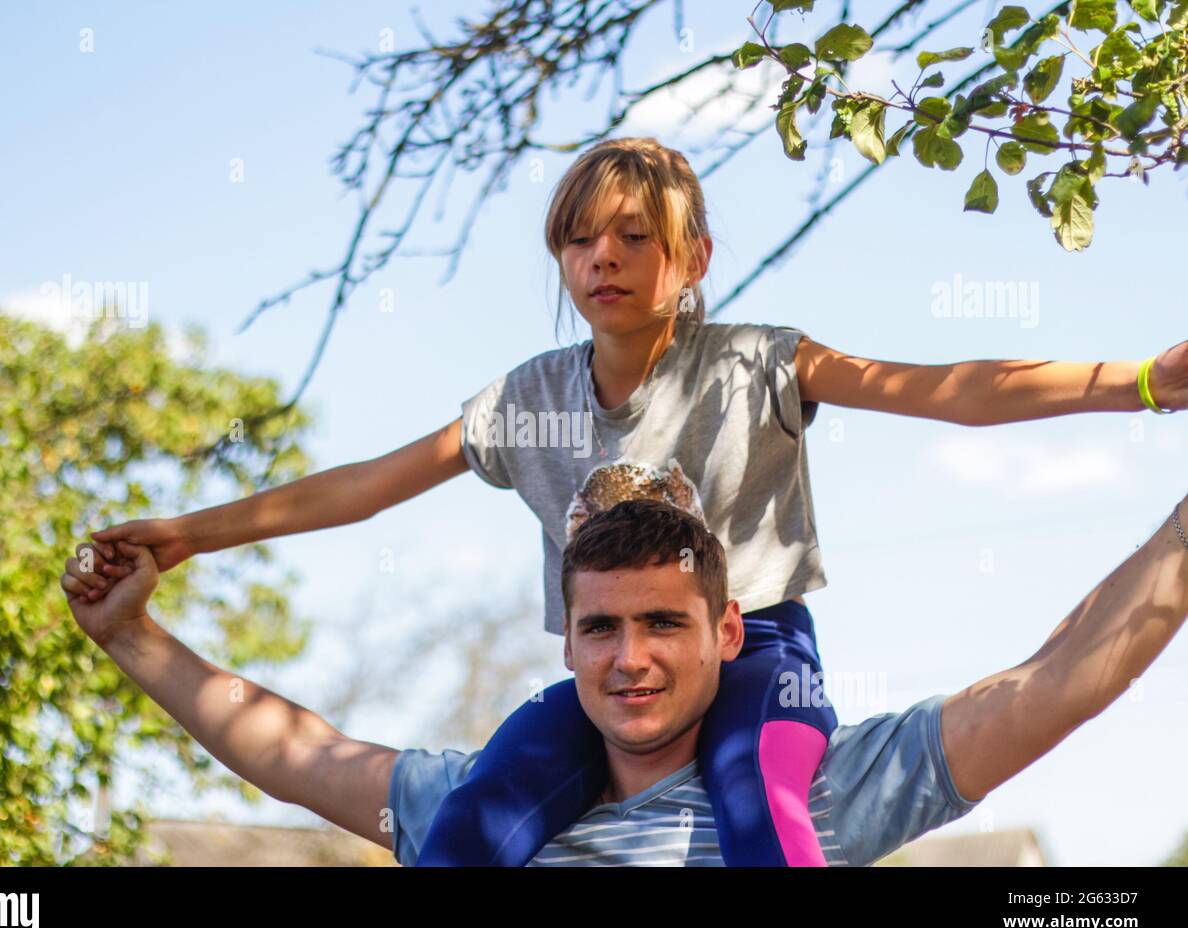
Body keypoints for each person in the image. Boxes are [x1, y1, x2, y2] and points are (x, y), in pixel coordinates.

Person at [78, 137, 1188, 865]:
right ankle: (609, 641)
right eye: (576, 236)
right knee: (475, 819)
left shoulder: (756, 363)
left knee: (759, 798)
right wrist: (187, 535)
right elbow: (365, 487)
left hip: (761, 651)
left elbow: (943, 392)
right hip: (606, 662)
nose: (600, 257)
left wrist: (1136, 383)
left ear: (692, 256)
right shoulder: (531, 400)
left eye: (632, 236)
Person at [61, 495, 1188, 866]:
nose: (629, 656)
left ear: (727, 630)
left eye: (661, 622)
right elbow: (294, 753)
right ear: (565, 641)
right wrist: (132, 638)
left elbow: (1055, 682)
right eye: (600, 626)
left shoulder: (822, 789)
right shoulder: (488, 800)